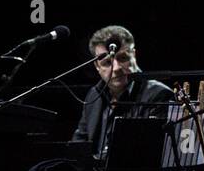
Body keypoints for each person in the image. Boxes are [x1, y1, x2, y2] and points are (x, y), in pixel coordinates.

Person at [72, 25, 172, 159]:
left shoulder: (159, 94)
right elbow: (78, 145)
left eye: (123, 58)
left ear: (134, 55)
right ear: (97, 66)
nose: (116, 68)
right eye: (107, 62)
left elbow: (147, 154)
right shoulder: (94, 94)